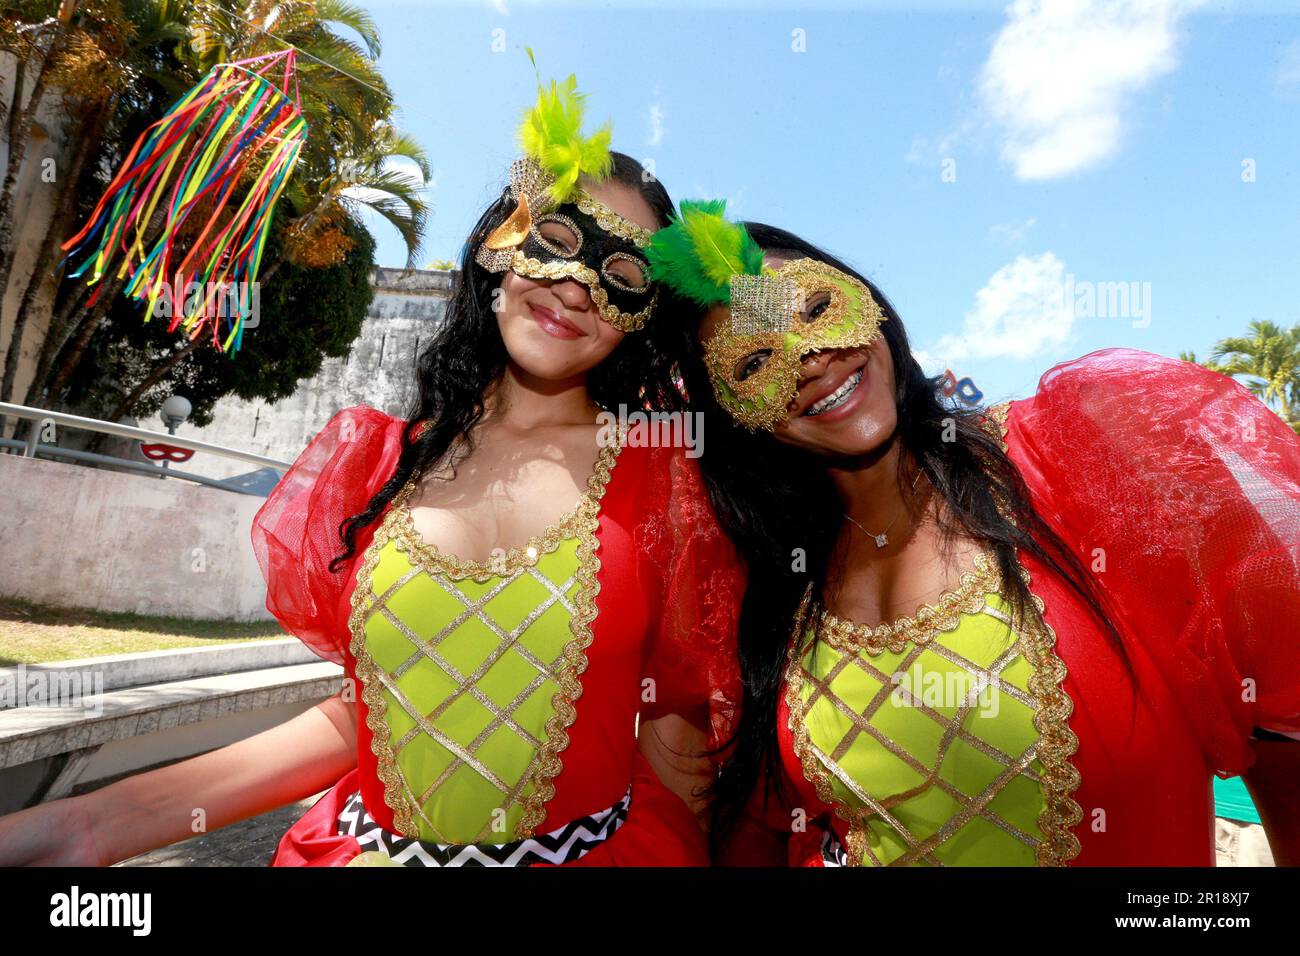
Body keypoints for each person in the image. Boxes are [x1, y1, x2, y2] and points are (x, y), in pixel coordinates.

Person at [0, 76, 744, 868]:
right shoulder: (378, 463)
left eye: (623, 277)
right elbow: (370, 717)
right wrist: (81, 828)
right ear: (504, 244)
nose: (575, 285)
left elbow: (677, 740)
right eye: (557, 241)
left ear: (643, 317)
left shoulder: (669, 482)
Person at [646, 201, 1300, 866]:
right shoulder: (765, 585)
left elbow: (1284, 731)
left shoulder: (1081, 453)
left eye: (815, 310)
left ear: (866, 302)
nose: (808, 358)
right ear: (731, 415)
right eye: (754, 362)